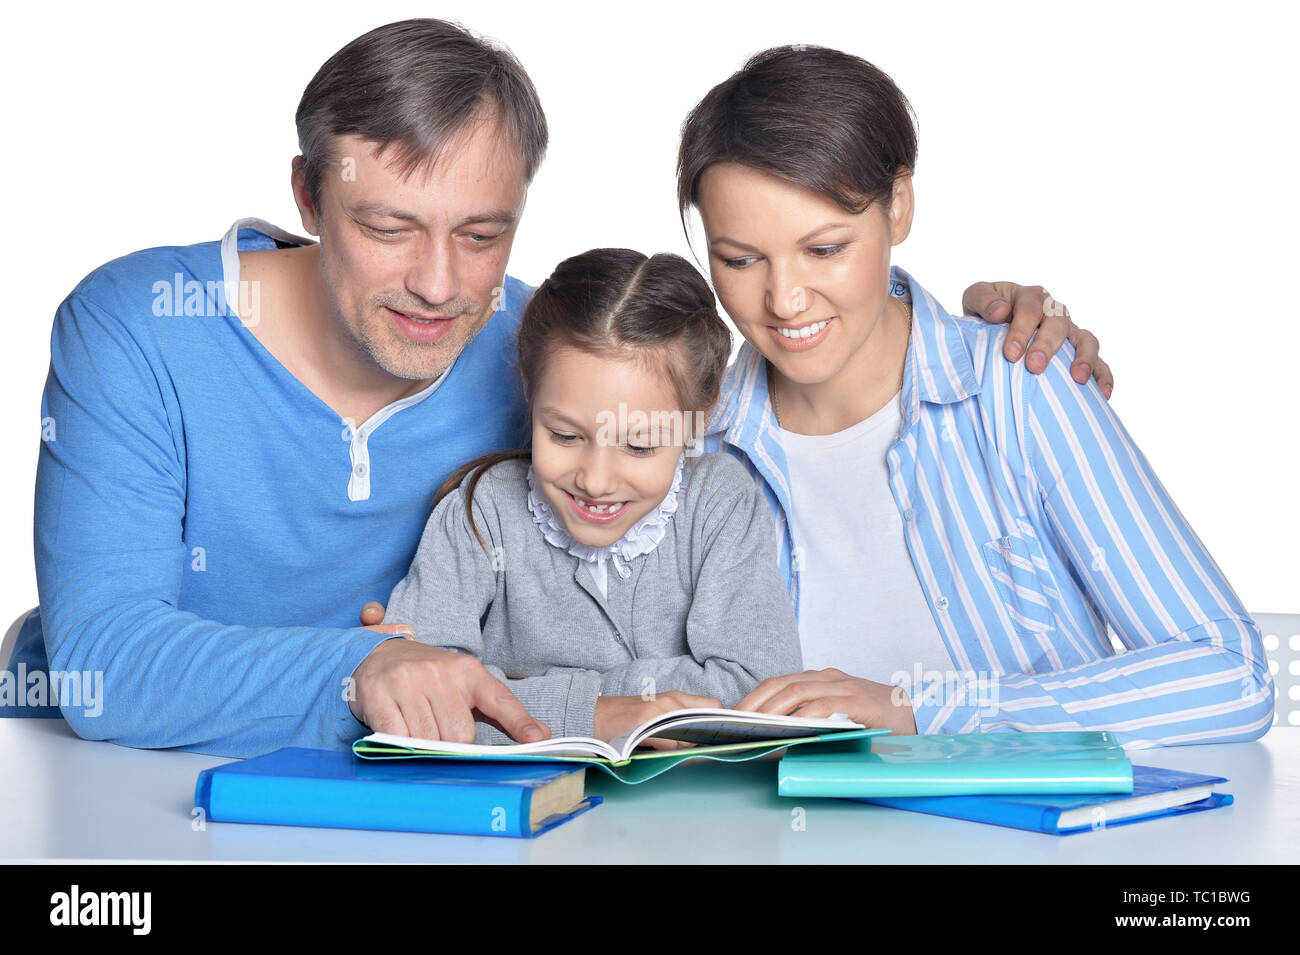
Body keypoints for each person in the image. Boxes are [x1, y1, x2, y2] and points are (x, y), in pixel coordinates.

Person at [4, 18, 1111, 759]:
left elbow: (738, 379)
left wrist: (982, 333)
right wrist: (383, 668)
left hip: (446, 782)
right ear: (306, 192)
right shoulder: (140, 327)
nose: (439, 287)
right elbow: (108, 666)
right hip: (121, 787)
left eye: (481, 234)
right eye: (388, 227)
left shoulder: (538, 347)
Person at [676, 45, 1274, 748]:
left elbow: (1230, 678)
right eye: (740, 260)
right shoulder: (684, 442)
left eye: (826, 248)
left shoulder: (1020, 387)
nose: (784, 298)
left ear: (898, 206)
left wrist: (921, 708)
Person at [382, 248, 802, 744]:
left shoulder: (721, 503)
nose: (597, 481)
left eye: (640, 445)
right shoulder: (482, 513)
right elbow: (420, 702)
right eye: (564, 435)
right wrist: (601, 711)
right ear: (529, 392)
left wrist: (520, 690)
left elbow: (760, 694)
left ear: (699, 418)